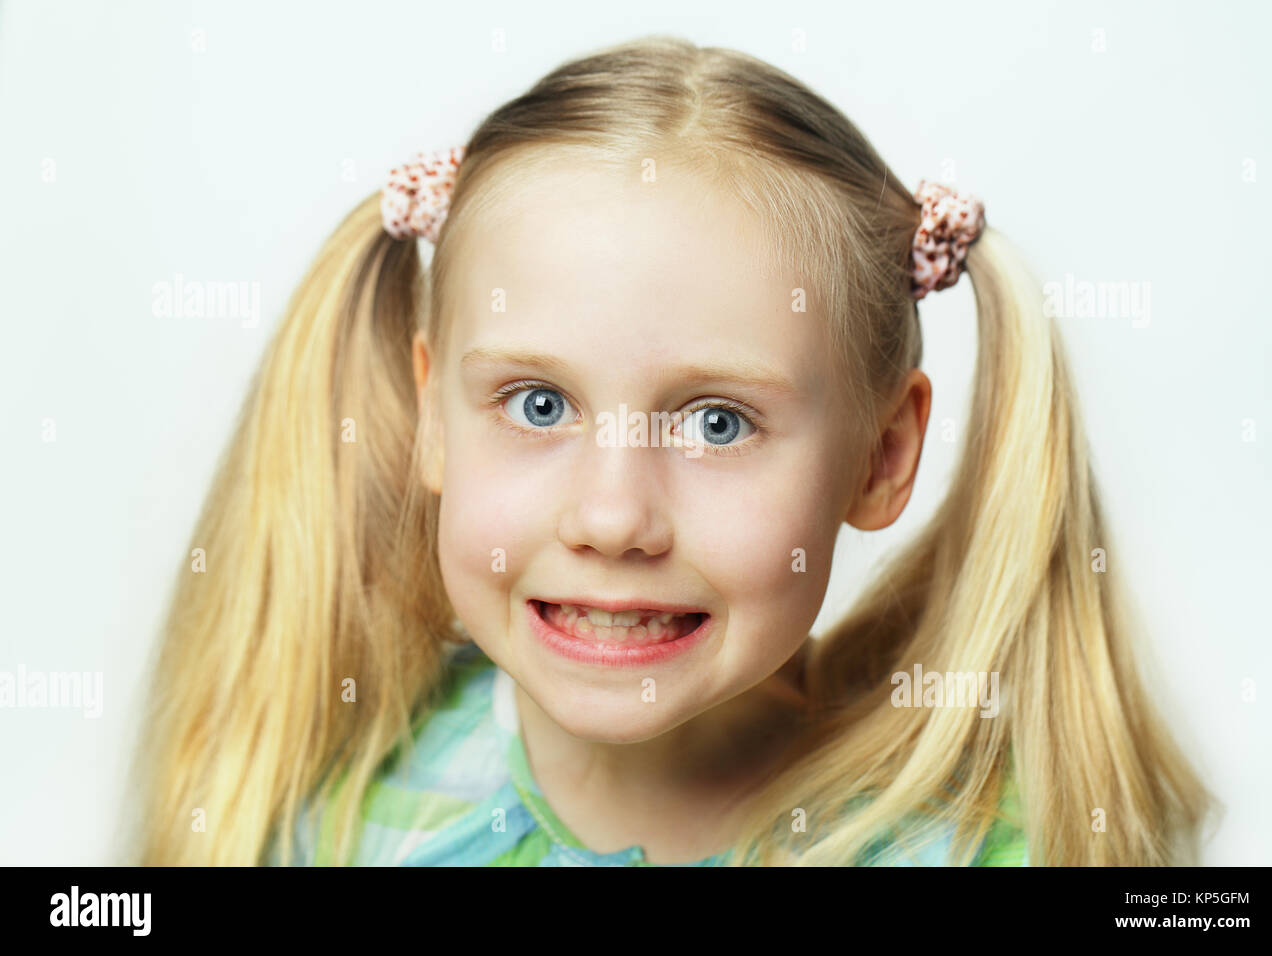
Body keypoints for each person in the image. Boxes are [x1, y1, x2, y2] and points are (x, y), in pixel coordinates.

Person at [129, 35, 1212, 866]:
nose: (611, 518)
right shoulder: (341, 804)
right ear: (430, 419)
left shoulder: (991, 845)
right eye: (540, 404)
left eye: (716, 423)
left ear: (880, 457)